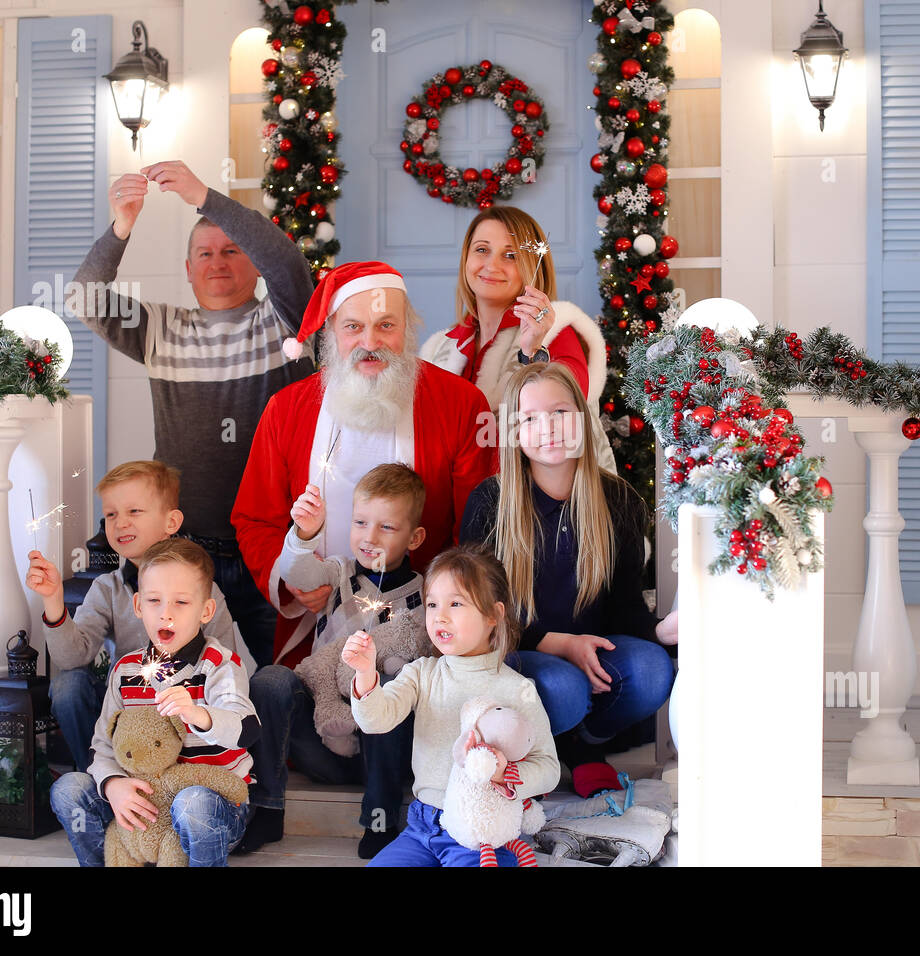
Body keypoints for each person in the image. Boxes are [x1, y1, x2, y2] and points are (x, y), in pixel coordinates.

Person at [68, 159, 315, 667]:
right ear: (187, 268)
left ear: (253, 263)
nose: (217, 262)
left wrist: (205, 196)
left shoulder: (286, 322)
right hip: (183, 552)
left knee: (270, 685)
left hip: (269, 547)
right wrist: (122, 225)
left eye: (232, 250)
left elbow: (287, 263)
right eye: (204, 253)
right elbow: (84, 296)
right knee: (185, 688)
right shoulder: (160, 326)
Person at [232, 261, 497, 669]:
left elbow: (479, 530)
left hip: (428, 632)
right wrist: (292, 582)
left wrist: (446, 606)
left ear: (407, 329)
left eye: (385, 325)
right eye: (353, 327)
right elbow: (255, 518)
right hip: (318, 630)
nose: (369, 341)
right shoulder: (286, 410)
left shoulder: (461, 405)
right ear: (331, 334)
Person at [460, 362, 674, 790]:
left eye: (559, 412)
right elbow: (478, 614)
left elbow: (624, 607)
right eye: (530, 418)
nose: (549, 428)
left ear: (581, 417)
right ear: (516, 434)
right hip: (520, 654)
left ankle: (584, 740)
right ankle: (561, 751)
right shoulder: (491, 502)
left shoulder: (619, 501)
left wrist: (663, 632)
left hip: (592, 652)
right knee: (563, 687)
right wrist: (559, 644)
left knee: (651, 670)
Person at [237, 464, 429, 859]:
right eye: (360, 522)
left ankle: (380, 814)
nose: (369, 538)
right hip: (324, 742)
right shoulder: (339, 572)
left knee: (390, 683)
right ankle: (268, 810)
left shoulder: (426, 595)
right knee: (270, 680)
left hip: (391, 751)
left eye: (386, 528)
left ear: (415, 537)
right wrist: (304, 534)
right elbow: (299, 573)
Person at [49, 539, 259, 867]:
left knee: (192, 803)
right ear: (138, 606)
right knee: (68, 790)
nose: (166, 614)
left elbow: (246, 728)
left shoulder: (219, 665)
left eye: (181, 603)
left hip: (211, 807)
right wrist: (113, 784)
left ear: (205, 611)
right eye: (154, 601)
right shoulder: (125, 671)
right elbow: (102, 746)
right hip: (144, 807)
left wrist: (198, 714)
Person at [348, 544, 559, 867]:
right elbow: (376, 720)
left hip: (482, 835)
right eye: (432, 604)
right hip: (421, 828)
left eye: (456, 603)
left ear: (494, 615)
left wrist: (506, 774)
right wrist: (365, 673)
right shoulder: (421, 673)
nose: (440, 616)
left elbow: (548, 768)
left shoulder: (517, 689)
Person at [26, 460, 238, 772]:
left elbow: (225, 663)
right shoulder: (108, 588)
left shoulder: (202, 591)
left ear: (171, 521)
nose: (120, 523)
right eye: (111, 514)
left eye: (134, 512)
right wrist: (53, 599)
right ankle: (101, 779)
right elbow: (73, 658)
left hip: (186, 712)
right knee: (69, 685)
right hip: (126, 711)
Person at [420, 205, 616, 472]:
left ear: (532, 267)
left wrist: (532, 351)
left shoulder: (554, 332)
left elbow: (567, 411)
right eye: (481, 250)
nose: (492, 265)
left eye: (510, 255)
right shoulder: (441, 348)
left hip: (527, 505)